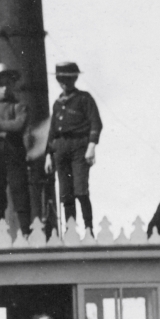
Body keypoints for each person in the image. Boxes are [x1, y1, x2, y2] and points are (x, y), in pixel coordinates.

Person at [45, 61, 103, 231]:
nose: (64, 82)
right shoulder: (57, 103)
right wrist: (48, 154)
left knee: (80, 191)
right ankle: (71, 231)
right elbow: (52, 131)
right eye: (60, 79)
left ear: (75, 78)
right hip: (60, 149)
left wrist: (91, 147)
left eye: (68, 78)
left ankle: (89, 229)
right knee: (66, 194)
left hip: (79, 147)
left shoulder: (84, 99)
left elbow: (96, 123)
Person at [0, 63, 35, 234]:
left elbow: (19, 125)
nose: (4, 88)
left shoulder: (19, 107)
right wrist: (5, 131)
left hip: (14, 150)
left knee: (19, 190)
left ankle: (26, 232)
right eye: (0, 85)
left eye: (7, 84)